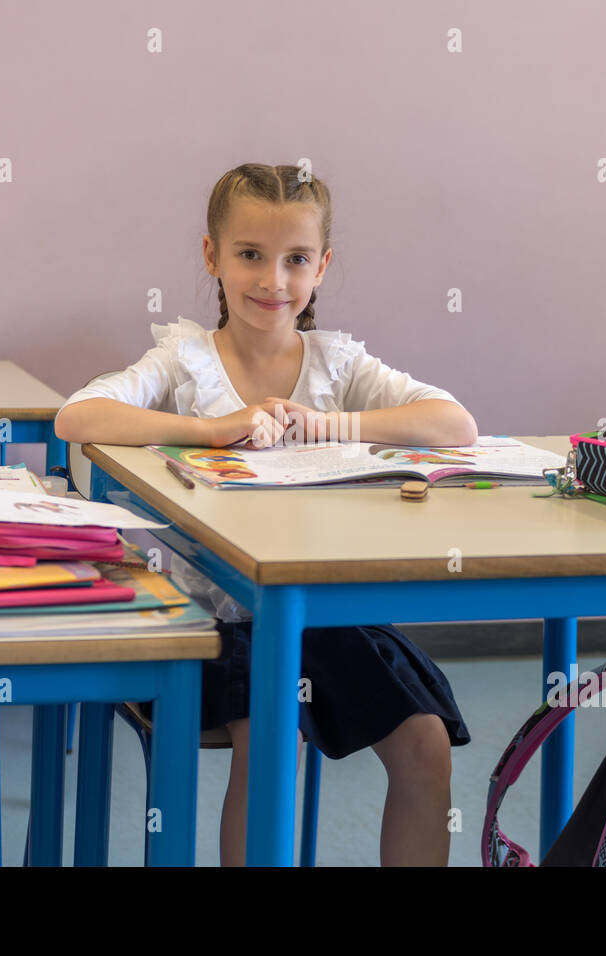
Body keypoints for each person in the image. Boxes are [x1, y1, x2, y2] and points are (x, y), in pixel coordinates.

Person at [55, 163, 479, 865]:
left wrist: (330, 425)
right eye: (250, 255)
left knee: (426, 744)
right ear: (211, 256)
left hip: (318, 605)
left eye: (296, 260)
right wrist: (212, 429)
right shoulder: (186, 361)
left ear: (323, 267)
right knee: (271, 737)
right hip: (220, 612)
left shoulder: (336, 365)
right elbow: (78, 415)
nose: (272, 280)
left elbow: (454, 423)